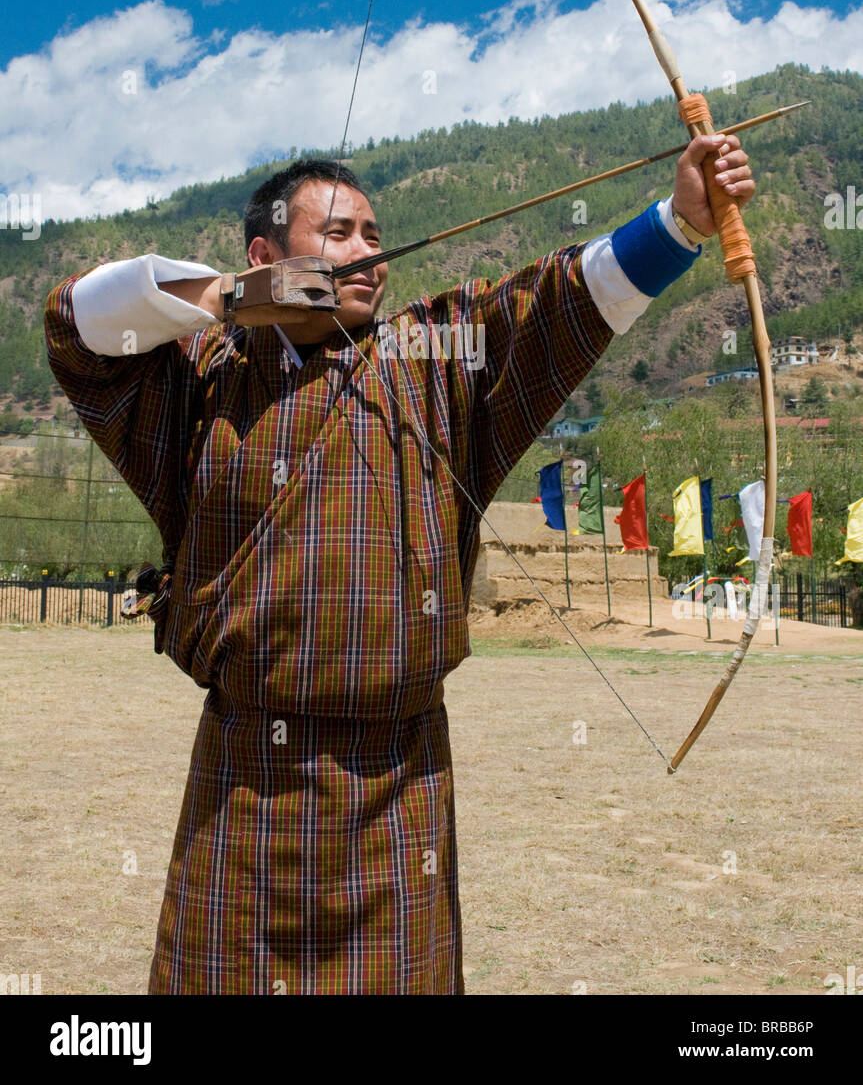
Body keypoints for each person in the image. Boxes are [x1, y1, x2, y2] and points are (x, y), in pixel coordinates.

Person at [44, 134, 754, 995]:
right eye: (339, 235)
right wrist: (231, 300)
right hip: (246, 778)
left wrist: (679, 221)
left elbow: (561, 305)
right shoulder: (198, 375)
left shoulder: (436, 359)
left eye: (375, 238)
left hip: (401, 783)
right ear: (266, 254)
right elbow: (74, 324)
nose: (368, 257)